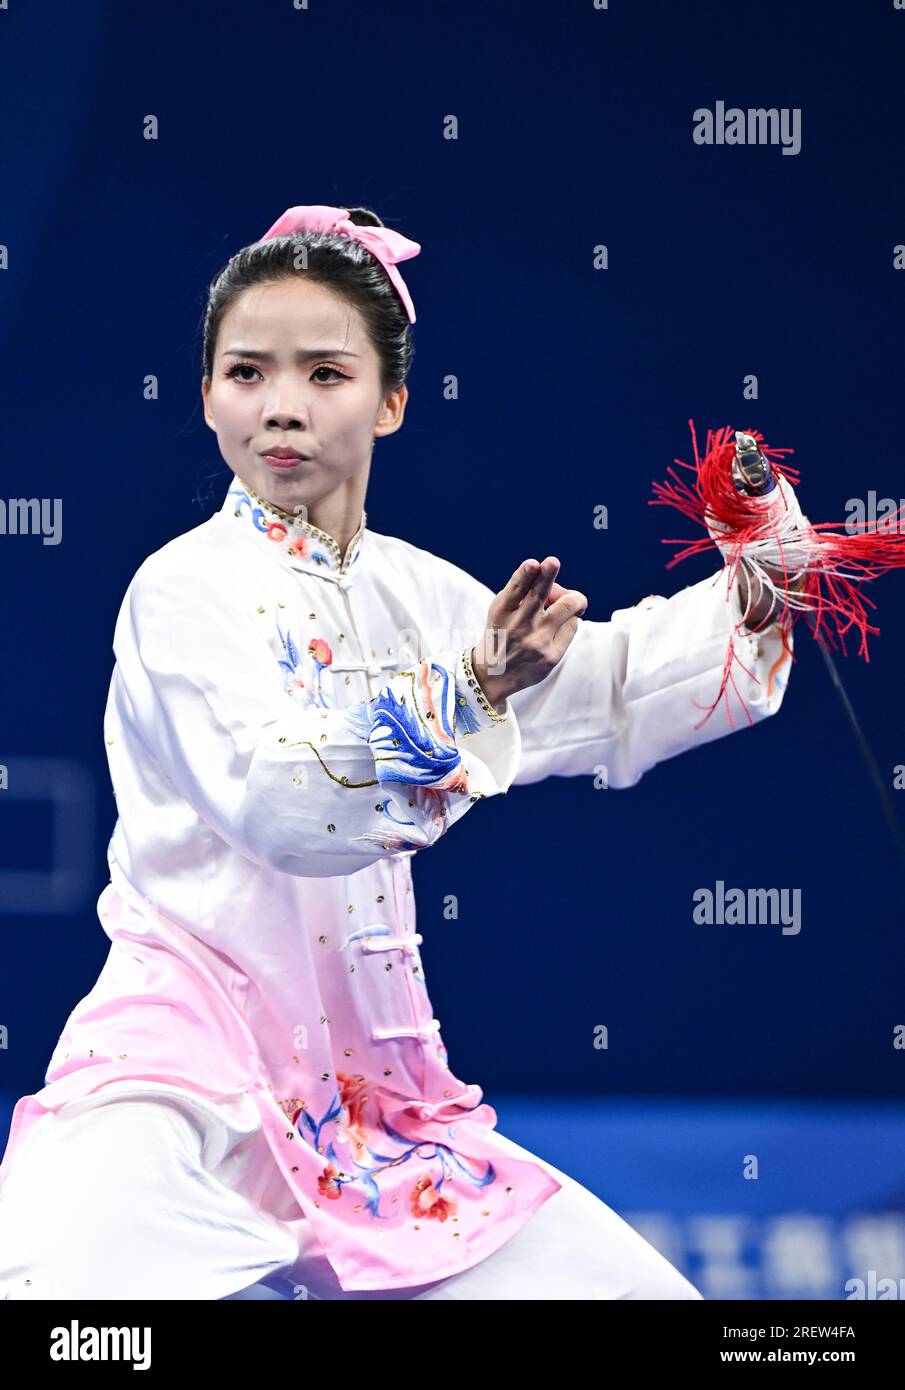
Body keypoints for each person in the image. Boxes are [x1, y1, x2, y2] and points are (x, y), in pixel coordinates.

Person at [0, 204, 795, 1301]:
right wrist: (468, 691)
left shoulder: (418, 593)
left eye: (325, 374)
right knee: (53, 1298)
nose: (280, 406)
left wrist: (763, 577)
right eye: (246, 373)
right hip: (180, 1076)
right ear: (206, 396)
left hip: (375, 1115)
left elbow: (606, 696)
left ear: (390, 401)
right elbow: (280, 800)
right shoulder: (182, 589)